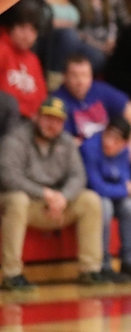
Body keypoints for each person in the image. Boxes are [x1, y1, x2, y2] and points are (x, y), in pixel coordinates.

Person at [1, 97, 106, 289]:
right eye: (48, 118)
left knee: (90, 200)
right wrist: (44, 193)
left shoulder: (66, 142)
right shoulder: (16, 138)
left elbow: (78, 176)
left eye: (57, 121)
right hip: (25, 202)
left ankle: (90, 270)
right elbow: (9, 176)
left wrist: (63, 197)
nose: (52, 124)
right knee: (18, 200)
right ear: (36, 117)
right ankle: (11, 274)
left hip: (55, 204)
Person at [81, 116, 131, 282]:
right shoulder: (90, 147)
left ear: (124, 144)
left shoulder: (125, 153)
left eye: (116, 140)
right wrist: (122, 190)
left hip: (110, 192)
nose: (109, 142)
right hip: (88, 196)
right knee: (105, 206)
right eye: (108, 135)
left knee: (129, 206)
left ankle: (129, 261)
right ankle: (104, 264)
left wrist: (122, 190)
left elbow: (126, 183)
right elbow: (96, 186)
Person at [0, 4, 48, 120]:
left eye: (32, 30)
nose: (27, 36)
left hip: (30, 121)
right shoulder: (2, 50)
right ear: (11, 28)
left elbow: (42, 97)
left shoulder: (33, 59)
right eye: (22, 28)